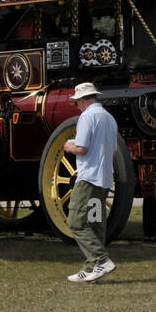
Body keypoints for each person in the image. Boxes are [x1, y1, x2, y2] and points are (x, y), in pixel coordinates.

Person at [63, 82, 119, 283]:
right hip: (104, 179)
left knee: (75, 222)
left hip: (88, 178)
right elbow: (113, 152)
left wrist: (69, 146)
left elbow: (82, 148)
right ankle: (91, 268)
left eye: (77, 101)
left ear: (85, 99)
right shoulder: (110, 119)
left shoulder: (87, 117)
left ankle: (101, 260)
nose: (77, 104)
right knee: (95, 223)